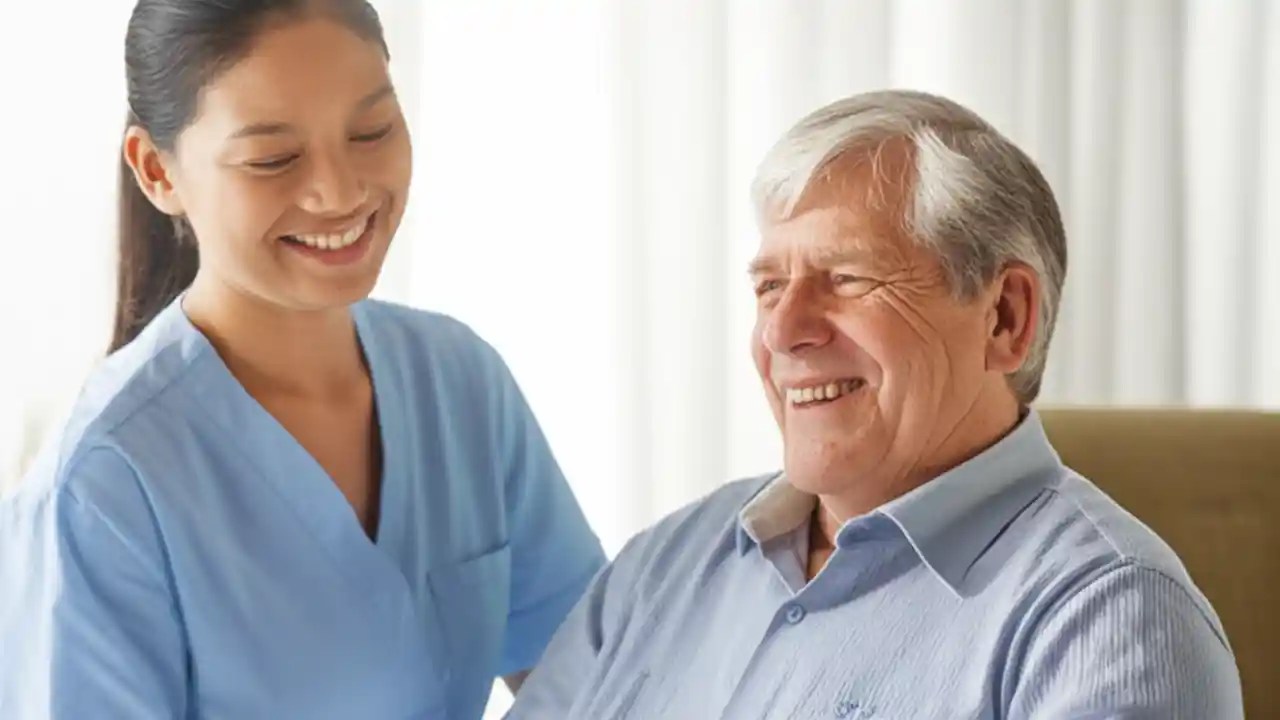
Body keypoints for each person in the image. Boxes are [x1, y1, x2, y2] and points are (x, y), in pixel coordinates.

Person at [509, 90, 1244, 719]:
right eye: (769, 286)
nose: (783, 331)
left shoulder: (1113, 620)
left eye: (847, 278)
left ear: (1005, 318)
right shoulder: (664, 566)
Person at [0, 1, 604, 718]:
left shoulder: (461, 384)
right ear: (157, 170)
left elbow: (598, 679)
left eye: (371, 130)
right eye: (273, 159)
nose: (341, 192)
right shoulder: (103, 487)